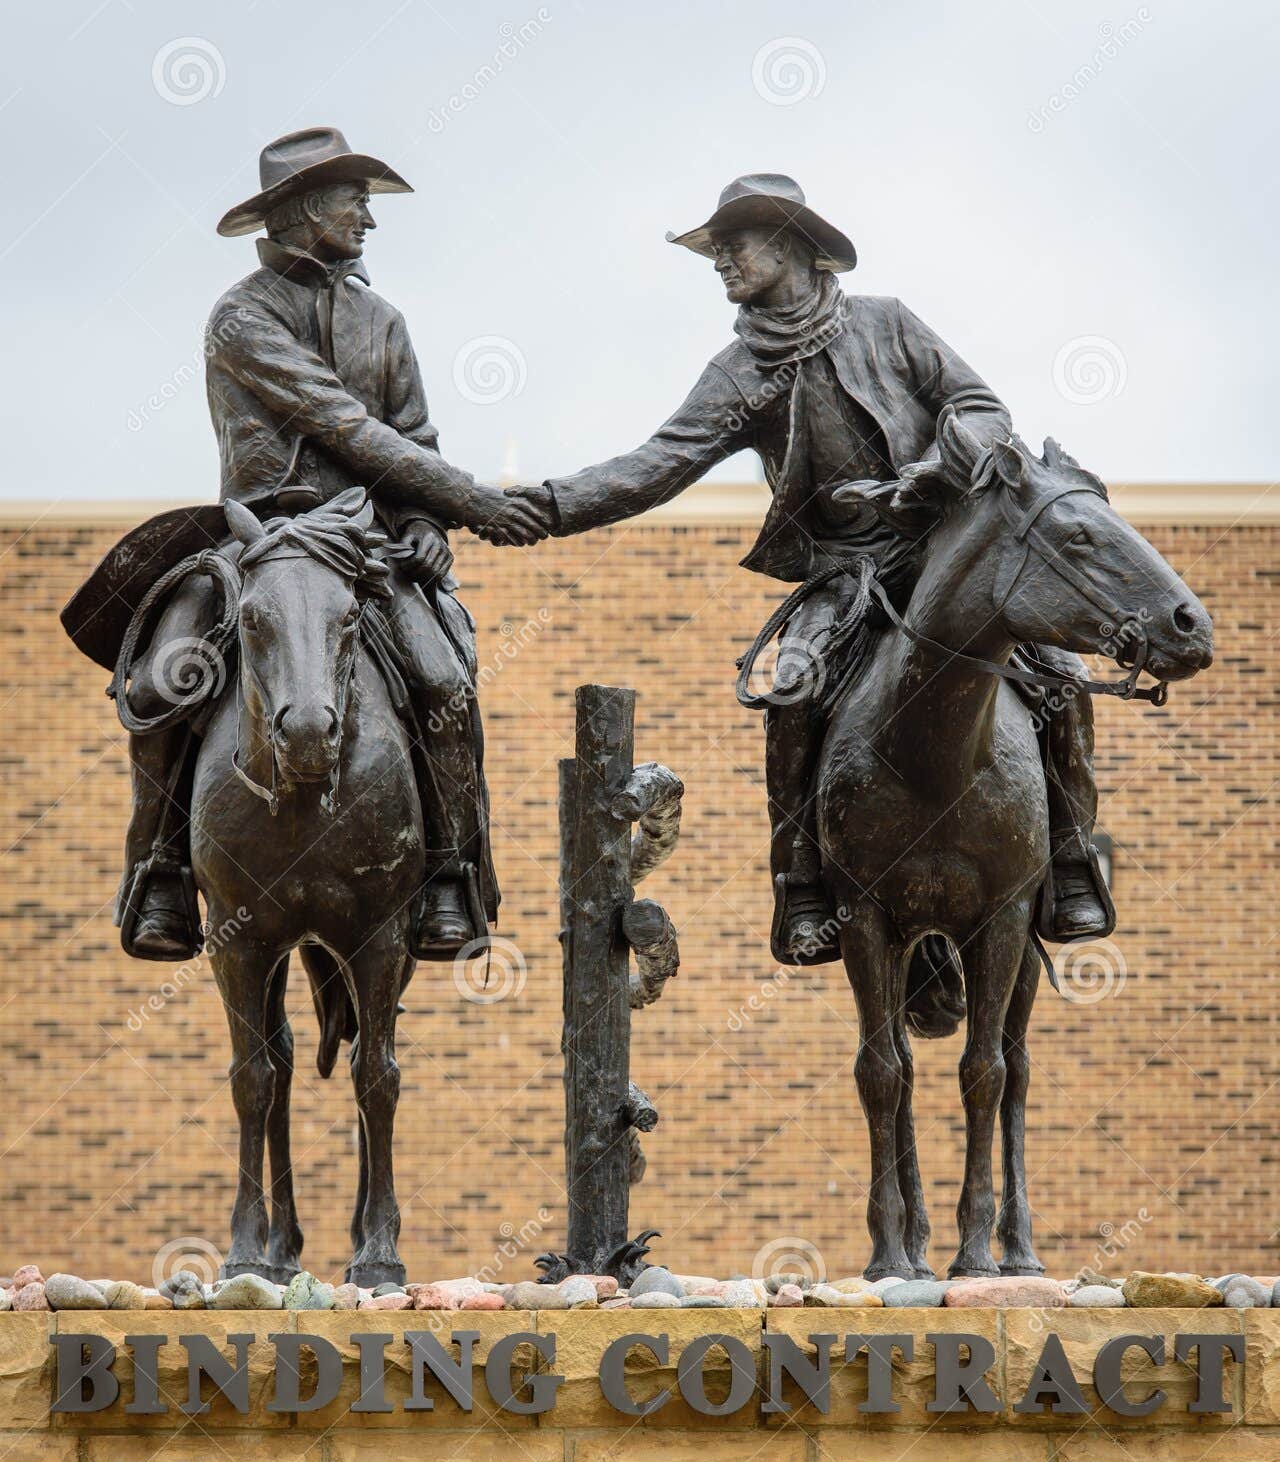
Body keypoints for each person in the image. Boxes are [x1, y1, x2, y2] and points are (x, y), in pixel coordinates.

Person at [500, 174, 1114, 969]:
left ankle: (1069, 860)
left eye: (734, 245)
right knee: (792, 691)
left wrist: (930, 469)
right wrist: (545, 507)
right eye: (714, 250)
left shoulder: (888, 325)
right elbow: (658, 466)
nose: (720, 261)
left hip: (946, 559)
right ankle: (800, 884)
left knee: (1058, 672)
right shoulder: (742, 371)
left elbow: (980, 406)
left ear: (788, 244)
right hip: (846, 579)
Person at [113, 128, 548, 961]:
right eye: (357, 203)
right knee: (166, 676)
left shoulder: (383, 321)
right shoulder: (240, 316)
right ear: (309, 206)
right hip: (262, 544)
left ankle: (451, 873)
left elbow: (411, 433)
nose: (368, 223)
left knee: (443, 679)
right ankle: (162, 871)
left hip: (368, 550)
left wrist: (426, 525)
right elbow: (341, 424)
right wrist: (476, 502)